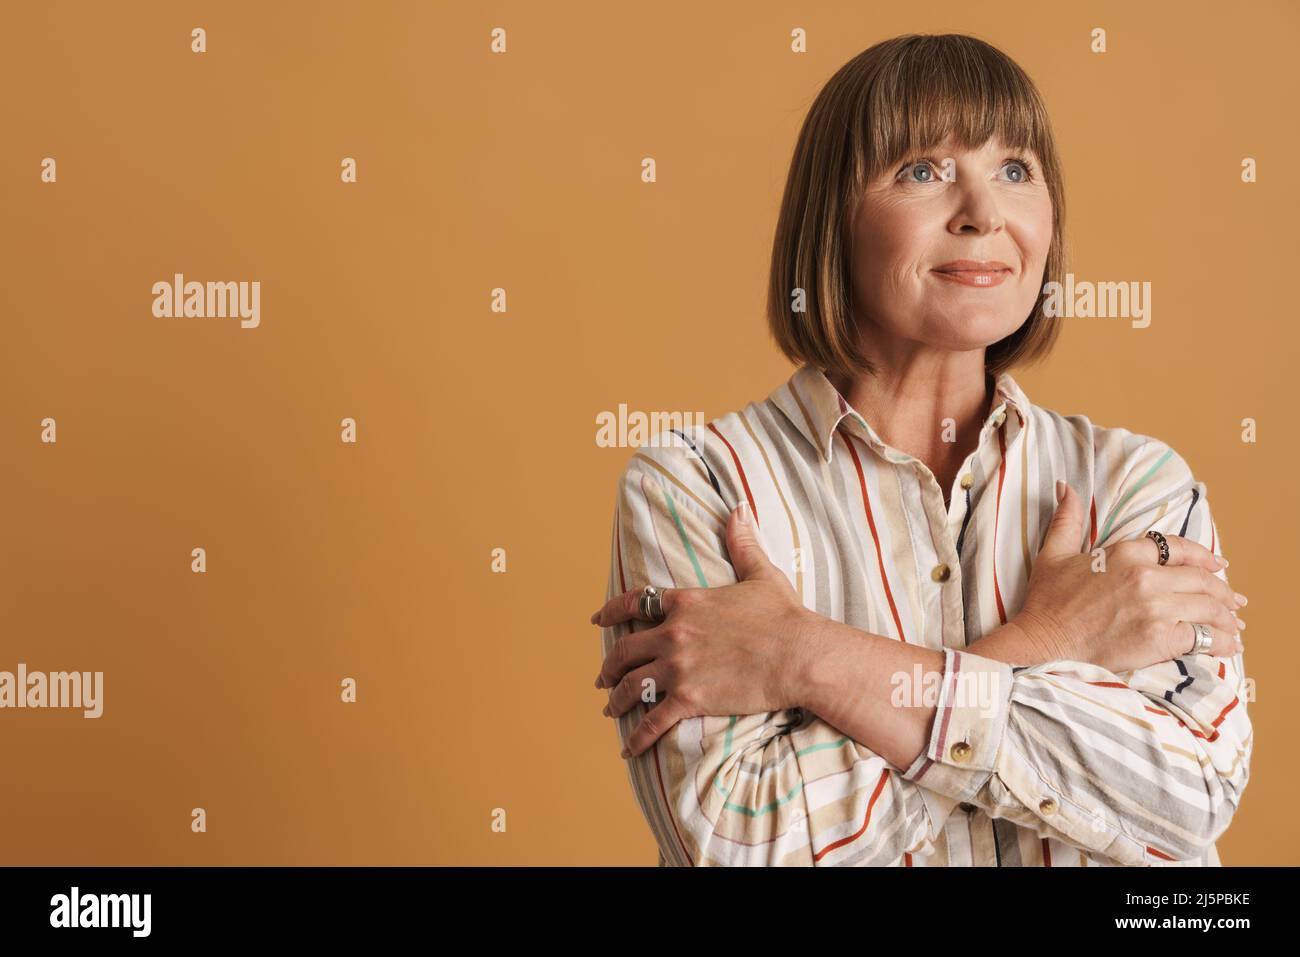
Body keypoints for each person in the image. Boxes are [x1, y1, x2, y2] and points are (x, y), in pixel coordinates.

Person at [589, 33, 1252, 866]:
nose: (984, 212)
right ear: (832, 217)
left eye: (1015, 169)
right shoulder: (699, 486)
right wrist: (1043, 645)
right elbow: (740, 839)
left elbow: (1186, 796)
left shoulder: (1139, 486)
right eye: (923, 170)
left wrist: (811, 658)